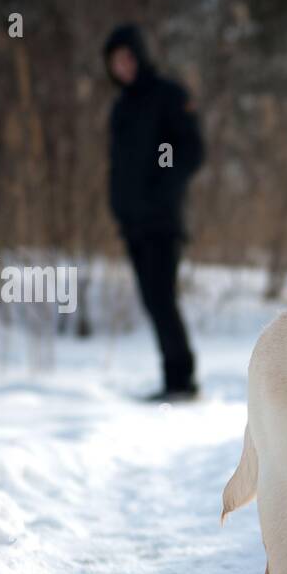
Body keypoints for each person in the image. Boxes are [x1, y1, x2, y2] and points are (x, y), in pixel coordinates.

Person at [103, 24, 205, 401]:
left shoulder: (169, 95)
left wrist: (162, 190)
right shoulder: (121, 106)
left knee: (162, 298)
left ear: (141, 56)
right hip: (132, 224)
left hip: (163, 220)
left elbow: (192, 150)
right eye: (115, 62)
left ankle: (182, 381)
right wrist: (121, 206)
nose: (123, 67)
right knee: (151, 300)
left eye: (128, 57)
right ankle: (173, 378)